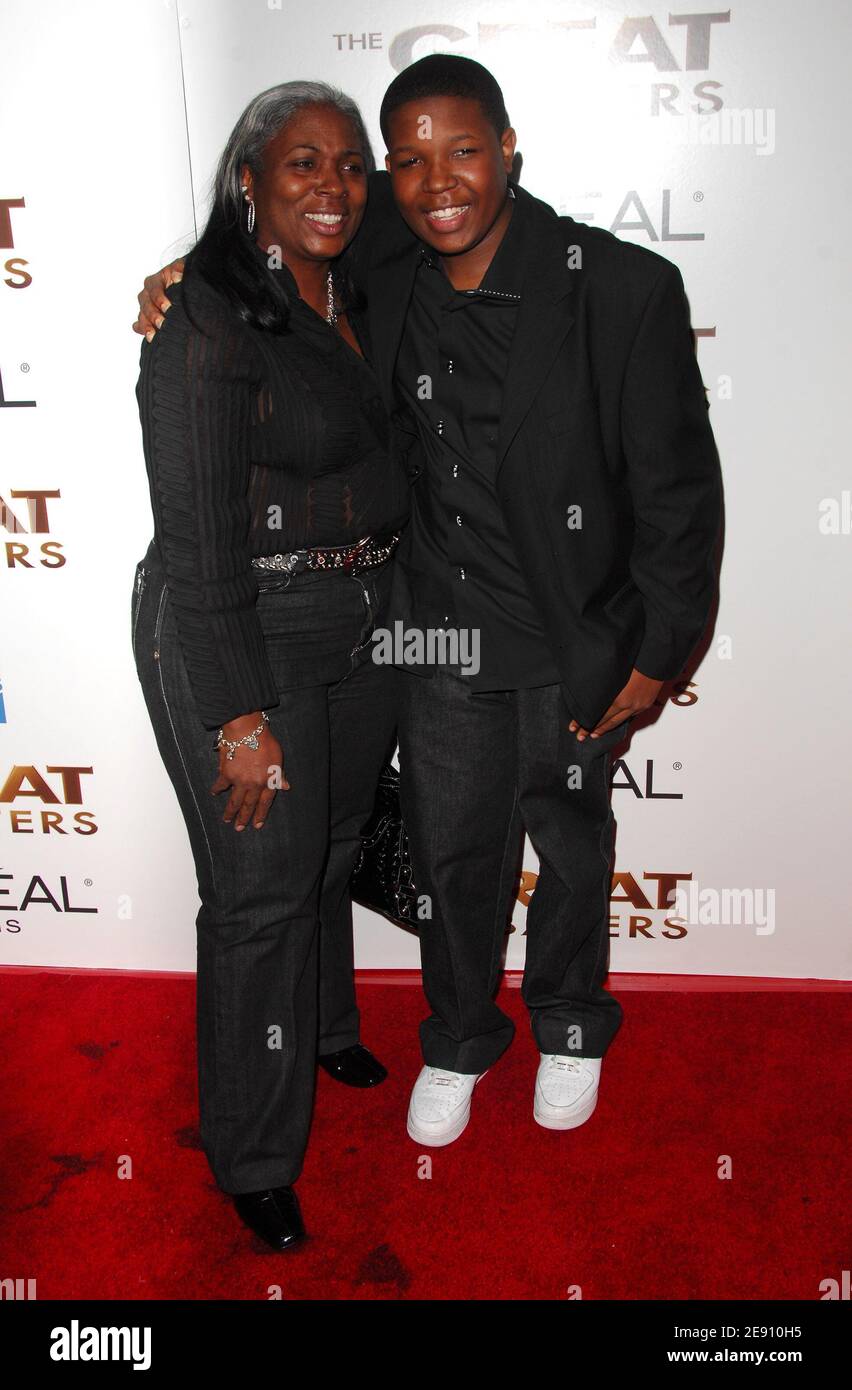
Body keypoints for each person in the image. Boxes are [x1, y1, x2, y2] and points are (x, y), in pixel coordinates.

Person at [135, 56, 722, 1153]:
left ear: (508, 149)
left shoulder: (623, 287)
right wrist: (184, 271)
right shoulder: (386, 268)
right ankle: (457, 1033)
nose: (431, 177)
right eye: (403, 159)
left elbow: (680, 494)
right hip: (434, 628)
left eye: (460, 149)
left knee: (573, 837)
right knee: (456, 849)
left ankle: (571, 1021)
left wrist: (658, 648)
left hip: (577, 630)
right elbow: (272, 239)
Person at [132, 80, 410, 1250]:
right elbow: (199, 547)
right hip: (240, 622)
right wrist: (238, 715)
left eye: (351, 165)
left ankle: (327, 1020)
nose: (332, 187)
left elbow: (478, 203)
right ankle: (251, 1152)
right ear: (248, 178)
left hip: (365, 614)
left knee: (337, 843)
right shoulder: (205, 318)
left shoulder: (372, 279)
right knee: (259, 896)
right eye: (302, 164)